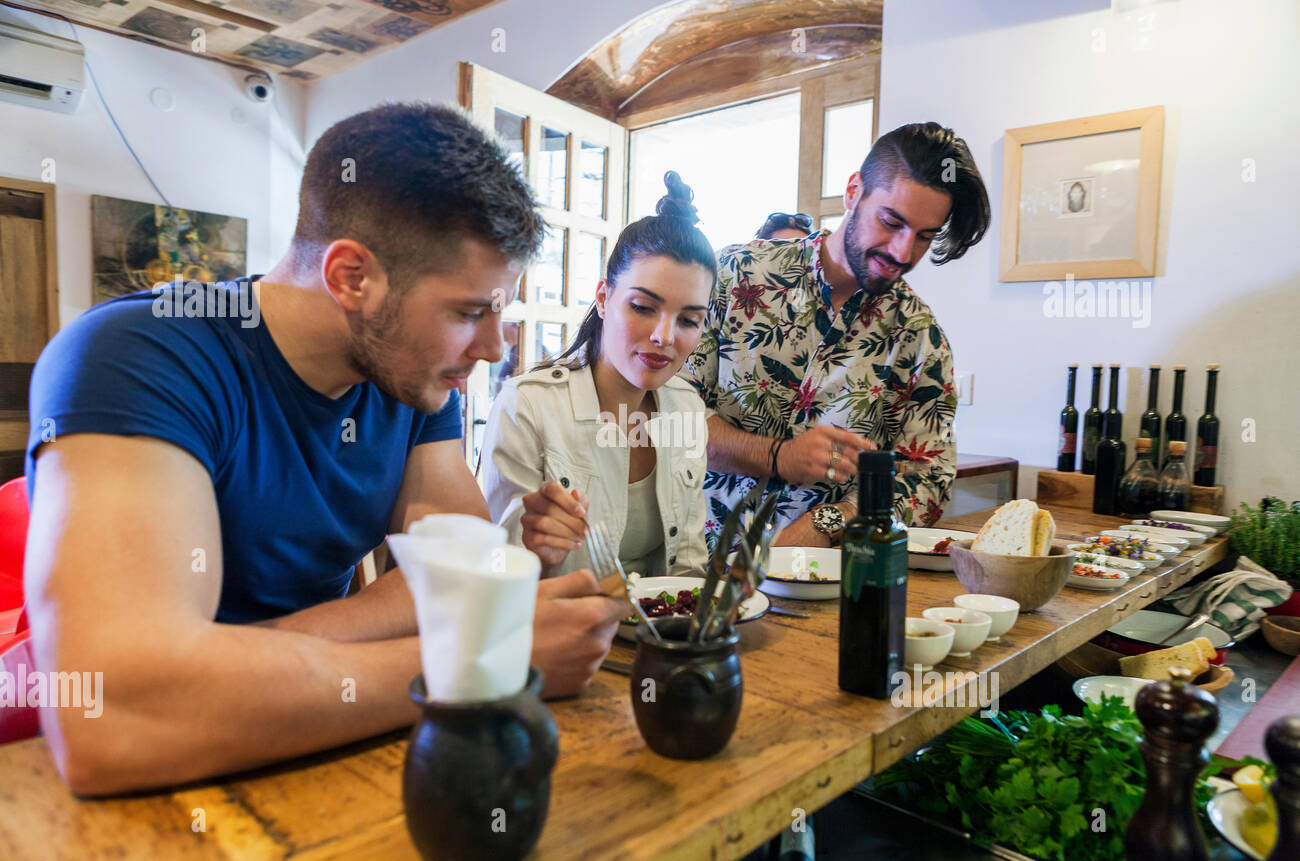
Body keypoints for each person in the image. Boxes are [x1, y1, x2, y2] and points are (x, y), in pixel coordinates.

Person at [23, 103, 628, 796]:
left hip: (328, 754)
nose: (494, 350)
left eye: (500, 313)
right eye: (469, 313)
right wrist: (481, 666)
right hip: (158, 791)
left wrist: (240, 652)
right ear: (350, 278)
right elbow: (114, 712)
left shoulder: (413, 378)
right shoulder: (135, 356)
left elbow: (465, 583)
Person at [682, 122, 991, 547]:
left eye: (924, 236)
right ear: (853, 192)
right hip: (694, 569)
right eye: (891, 222)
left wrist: (828, 524)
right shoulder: (731, 277)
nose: (903, 252)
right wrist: (778, 456)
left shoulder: (919, 338)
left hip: (828, 585)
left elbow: (928, 481)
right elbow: (668, 416)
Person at [482, 172, 713, 579]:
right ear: (604, 299)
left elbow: (690, 568)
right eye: (643, 307)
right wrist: (538, 553)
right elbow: (495, 573)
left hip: (664, 636)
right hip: (563, 631)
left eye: (689, 320)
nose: (663, 337)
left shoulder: (687, 407)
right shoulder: (528, 408)